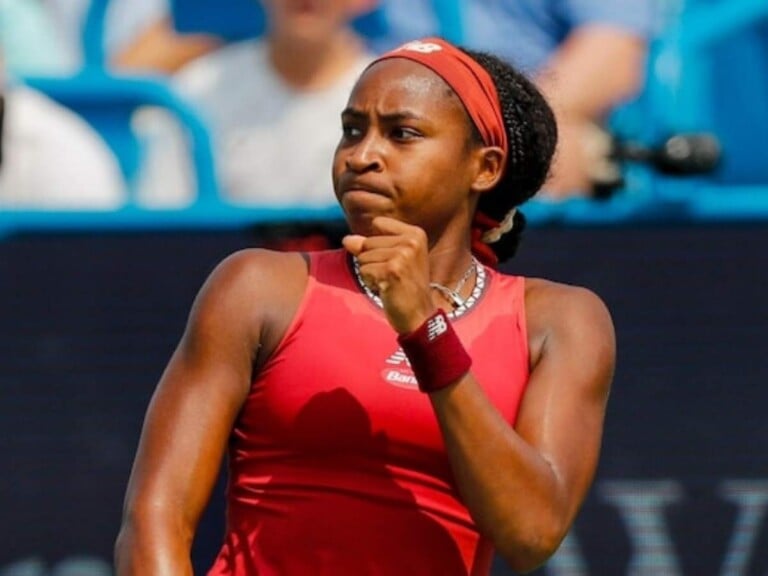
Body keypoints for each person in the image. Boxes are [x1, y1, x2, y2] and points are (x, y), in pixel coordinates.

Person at [114, 37, 615, 574]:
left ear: (484, 168)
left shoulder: (561, 321)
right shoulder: (256, 286)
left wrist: (424, 329)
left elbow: (532, 532)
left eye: (402, 134)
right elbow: (155, 517)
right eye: (352, 130)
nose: (362, 155)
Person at [370, 0, 652, 199]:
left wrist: (518, 132)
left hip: (531, 113)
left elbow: (613, 53)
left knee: (553, 150)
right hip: (380, 107)